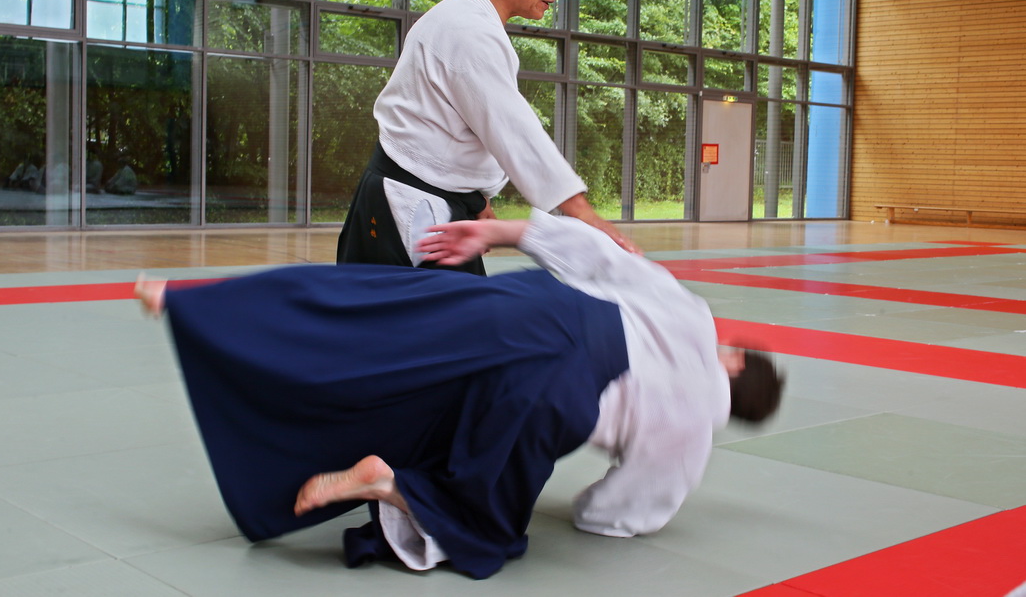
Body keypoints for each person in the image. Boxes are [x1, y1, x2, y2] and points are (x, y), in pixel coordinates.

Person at [136, 208, 783, 579]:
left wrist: (499, 233)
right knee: (489, 515)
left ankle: (195, 305)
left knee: (373, 314)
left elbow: (606, 258)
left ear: (732, 361)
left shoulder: (694, 316)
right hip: (556, 396)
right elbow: (613, 516)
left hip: (542, 311)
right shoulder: (692, 443)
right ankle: (396, 485)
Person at [337, 0, 637, 276]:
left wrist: (476, 201)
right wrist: (583, 213)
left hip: (422, 198)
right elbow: (515, 132)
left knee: (436, 323)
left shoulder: (461, 19)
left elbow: (450, 130)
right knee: (436, 326)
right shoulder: (467, 30)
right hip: (411, 206)